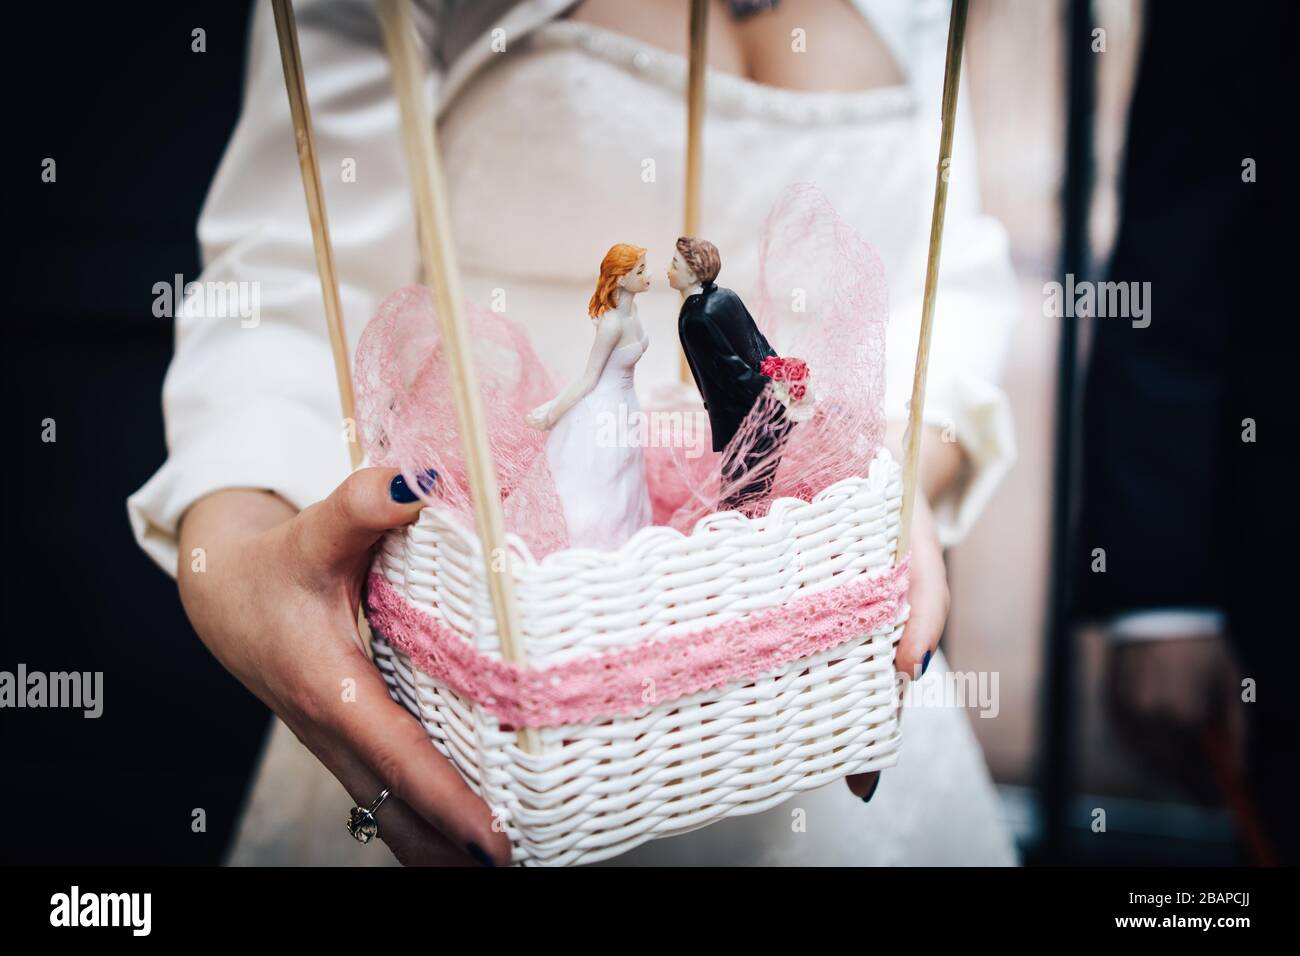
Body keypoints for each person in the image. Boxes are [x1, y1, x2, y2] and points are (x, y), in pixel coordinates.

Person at [128, 0, 1019, 865]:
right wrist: (233, 557)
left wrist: (895, 475)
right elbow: (285, 283)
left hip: (816, 632)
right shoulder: (634, 331)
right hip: (484, 638)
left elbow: (947, 275)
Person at [527, 243, 653, 550]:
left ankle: (628, 544)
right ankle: (596, 547)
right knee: (602, 479)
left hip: (627, 405)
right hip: (604, 409)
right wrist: (553, 411)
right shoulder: (611, 325)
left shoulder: (633, 311)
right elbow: (589, 378)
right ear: (621, 279)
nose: (648, 276)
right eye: (640, 271)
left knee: (627, 478)